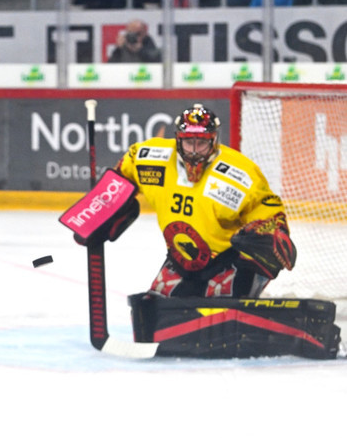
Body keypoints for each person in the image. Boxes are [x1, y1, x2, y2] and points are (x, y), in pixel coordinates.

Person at [114, 103, 296, 298]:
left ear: (213, 141)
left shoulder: (241, 173)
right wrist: (105, 202)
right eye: (188, 142)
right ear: (178, 140)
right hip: (180, 262)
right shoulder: (152, 158)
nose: (194, 151)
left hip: (229, 263)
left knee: (220, 314)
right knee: (152, 309)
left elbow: (267, 210)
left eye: (201, 143)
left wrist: (275, 231)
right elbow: (125, 169)